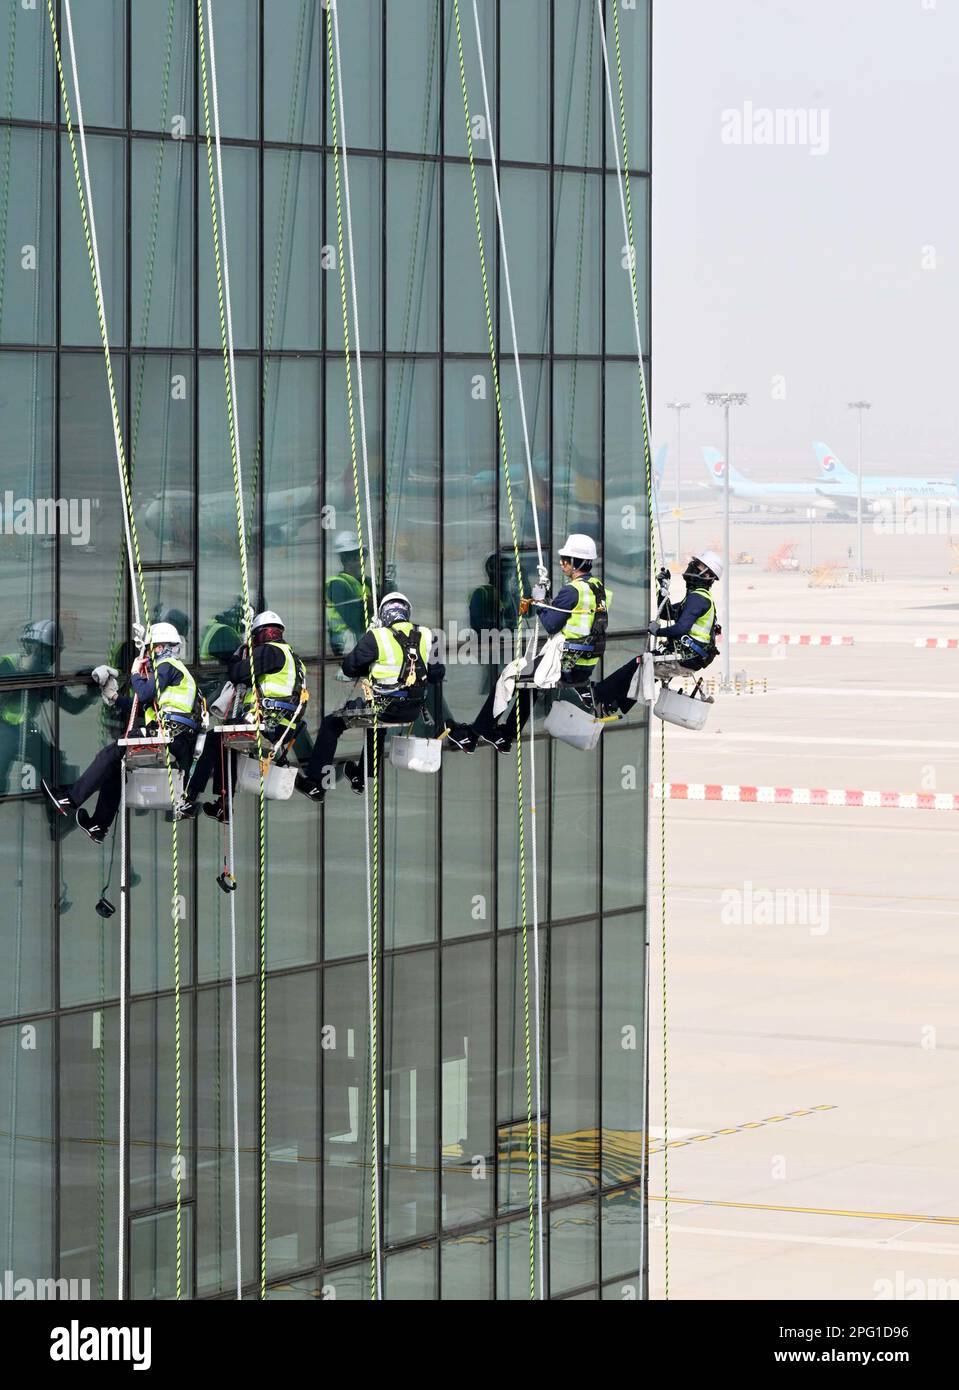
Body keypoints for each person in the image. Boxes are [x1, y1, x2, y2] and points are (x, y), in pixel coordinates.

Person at [41, 622, 202, 843]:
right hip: (173, 738)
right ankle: (99, 825)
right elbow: (142, 706)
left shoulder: (167, 665)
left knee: (109, 754)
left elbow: (144, 694)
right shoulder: (174, 674)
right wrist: (115, 697)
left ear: (161, 647)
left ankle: (69, 799)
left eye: (150, 650)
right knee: (116, 765)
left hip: (169, 736)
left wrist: (136, 674)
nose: (148, 656)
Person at [448, 533, 610, 753]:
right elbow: (576, 615)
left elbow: (551, 624)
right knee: (528, 686)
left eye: (566, 559)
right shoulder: (597, 588)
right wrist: (550, 601)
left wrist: (541, 602)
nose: (562, 563)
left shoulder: (572, 590)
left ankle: (476, 733)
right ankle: (505, 735)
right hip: (582, 665)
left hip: (563, 663)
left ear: (578, 562)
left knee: (507, 677)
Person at [296, 591, 444, 802]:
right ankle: (362, 775)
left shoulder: (377, 636)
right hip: (411, 710)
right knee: (377, 725)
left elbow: (349, 668)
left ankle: (316, 783)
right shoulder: (428, 635)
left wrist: (370, 650)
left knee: (332, 724)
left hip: (384, 708)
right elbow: (438, 674)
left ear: (384, 615)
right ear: (407, 612)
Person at [182, 610, 308, 822]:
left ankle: (191, 795)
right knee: (227, 745)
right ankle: (223, 806)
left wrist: (235, 656)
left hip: (267, 723)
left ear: (263, 634)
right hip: (283, 726)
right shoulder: (293, 659)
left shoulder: (269, 651)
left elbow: (239, 673)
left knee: (214, 740)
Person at [593, 550, 722, 715]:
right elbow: (665, 612)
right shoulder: (696, 598)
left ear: (708, 574)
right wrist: (663, 589)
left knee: (638, 663)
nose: (693, 566)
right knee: (648, 670)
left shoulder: (698, 599)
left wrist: (658, 631)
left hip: (688, 655)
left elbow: (681, 628)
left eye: (699, 565)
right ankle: (615, 703)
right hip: (693, 657)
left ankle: (598, 694)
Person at [326, 531, 373, 656]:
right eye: (356, 557)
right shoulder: (337, 584)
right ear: (345, 560)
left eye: (363, 556)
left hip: (361, 638)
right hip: (345, 642)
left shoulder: (367, 582)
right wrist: (370, 604)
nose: (361, 561)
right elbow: (354, 621)